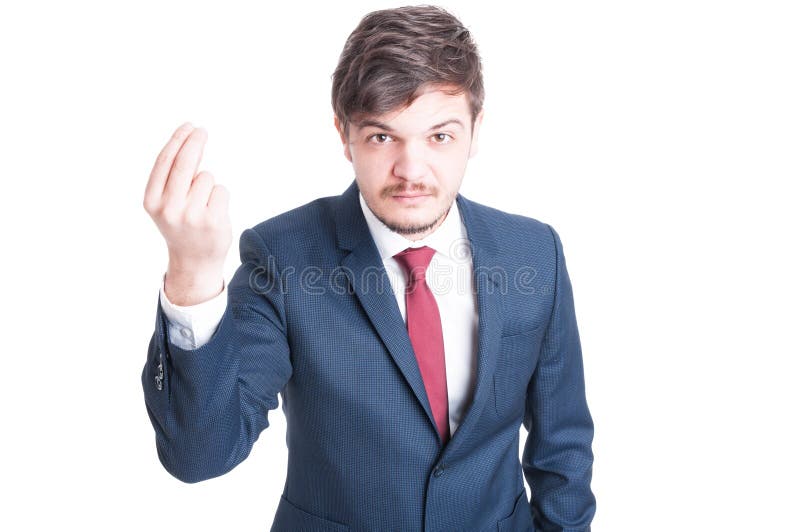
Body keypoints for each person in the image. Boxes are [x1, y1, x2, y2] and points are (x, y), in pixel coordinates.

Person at [141, 5, 595, 531]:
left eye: (439, 136)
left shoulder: (534, 252)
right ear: (344, 134)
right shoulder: (283, 257)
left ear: (475, 131)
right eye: (382, 136)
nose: (411, 169)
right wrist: (193, 275)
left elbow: (562, 446)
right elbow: (200, 456)